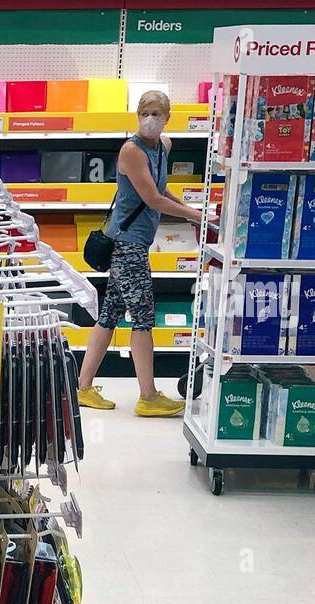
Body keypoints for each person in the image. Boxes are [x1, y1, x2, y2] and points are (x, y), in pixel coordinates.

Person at [76, 90, 204, 417]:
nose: (150, 119)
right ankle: (148, 396)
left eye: (157, 113)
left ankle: (84, 387)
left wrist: (189, 207)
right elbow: (153, 200)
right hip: (127, 244)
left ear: (167, 117)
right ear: (137, 114)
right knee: (144, 317)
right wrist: (197, 216)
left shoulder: (164, 147)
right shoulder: (131, 151)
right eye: (145, 113)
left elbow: (160, 188)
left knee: (109, 315)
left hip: (136, 242)